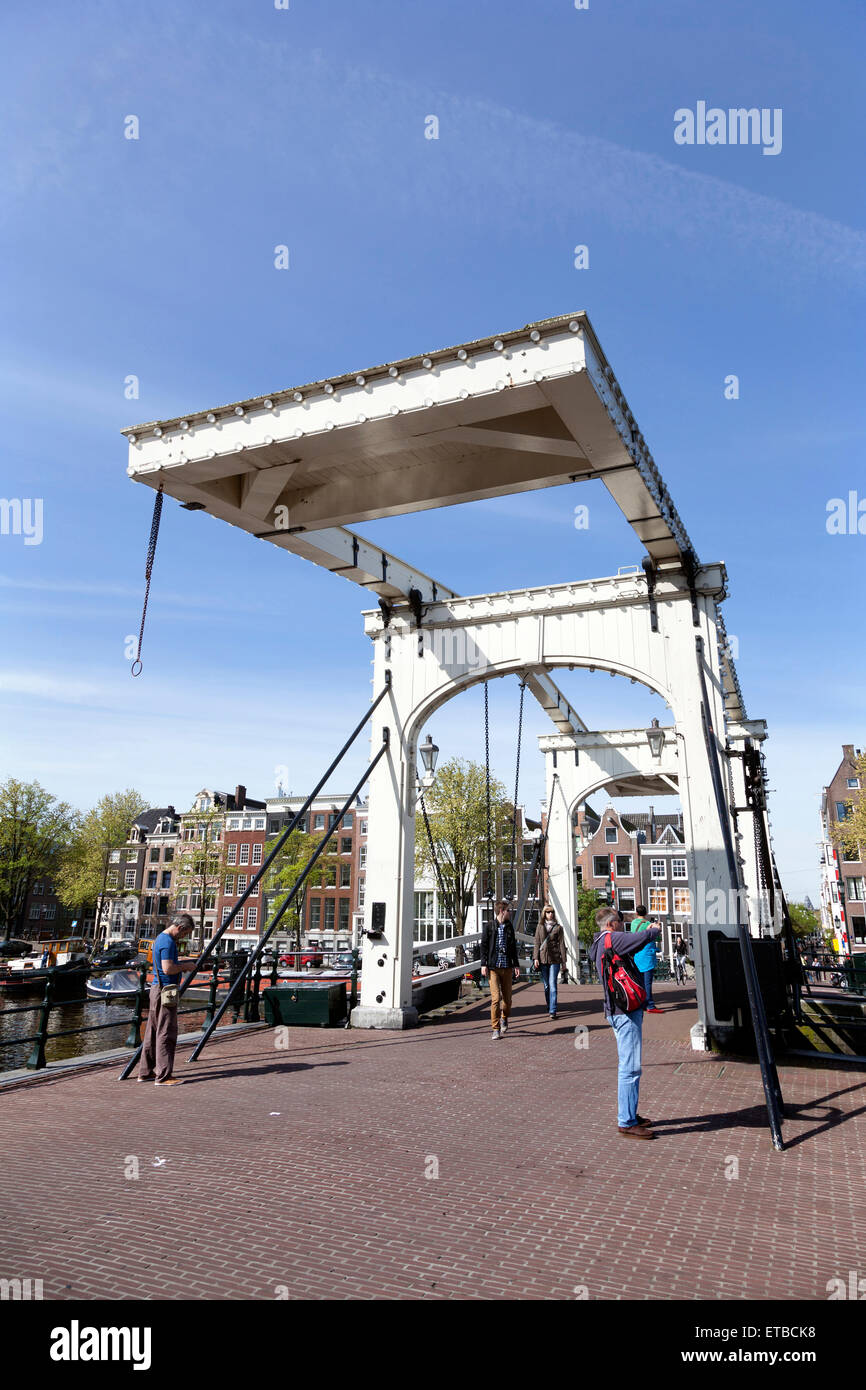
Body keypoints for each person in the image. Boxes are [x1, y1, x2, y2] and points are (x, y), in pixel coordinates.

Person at [589, 905, 662, 1139]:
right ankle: (627, 1121)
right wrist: (653, 929)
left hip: (615, 1009)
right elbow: (641, 938)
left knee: (629, 1065)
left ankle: (630, 1111)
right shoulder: (612, 939)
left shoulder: (598, 943)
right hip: (625, 1010)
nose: (623, 926)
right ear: (611, 924)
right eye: (620, 922)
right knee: (630, 1067)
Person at [137, 912, 195, 1086]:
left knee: (152, 1032)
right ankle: (163, 1076)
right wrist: (186, 966)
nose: (183, 937)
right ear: (180, 928)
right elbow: (168, 968)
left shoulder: (160, 939)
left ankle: (145, 1072)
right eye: (184, 933)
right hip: (165, 991)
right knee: (166, 1032)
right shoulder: (168, 942)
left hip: (156, 988)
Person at [480, 900, 520, 1040]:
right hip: (494, 967)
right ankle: (495, 1029)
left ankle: (504, 1017)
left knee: (508, 1001)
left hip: (507, 967)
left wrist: (516, 965)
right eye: (508, 910)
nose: (510, 913)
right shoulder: (489, 927)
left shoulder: (509, 927)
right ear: (502, 911)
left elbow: (513, 947)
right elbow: (484, 946)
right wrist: (483, 964)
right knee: (496, 999)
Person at [533, 903, 568, 1020]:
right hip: (543, 959)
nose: (551, 914)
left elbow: (562, 945)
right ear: (544, 914)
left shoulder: (559, 928)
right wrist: (535, 958)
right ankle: (549, 1005)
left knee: (553, 985)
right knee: (546, 986)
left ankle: (553, 1010)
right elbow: (537, 943)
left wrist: (564, 962)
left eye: (552, 912)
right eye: (548, 912)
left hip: (555, 960)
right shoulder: (539, 927)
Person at [629, 903, 663, 1013]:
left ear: (636, 913)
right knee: (648, 982)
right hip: (647, 956)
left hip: (637, 955)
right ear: (646, 913)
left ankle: (642, 1003)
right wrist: (658, 929)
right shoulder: (649, 924)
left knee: (640, 982)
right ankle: (650, 1005)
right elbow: (657, 938)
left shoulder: (633, 923)